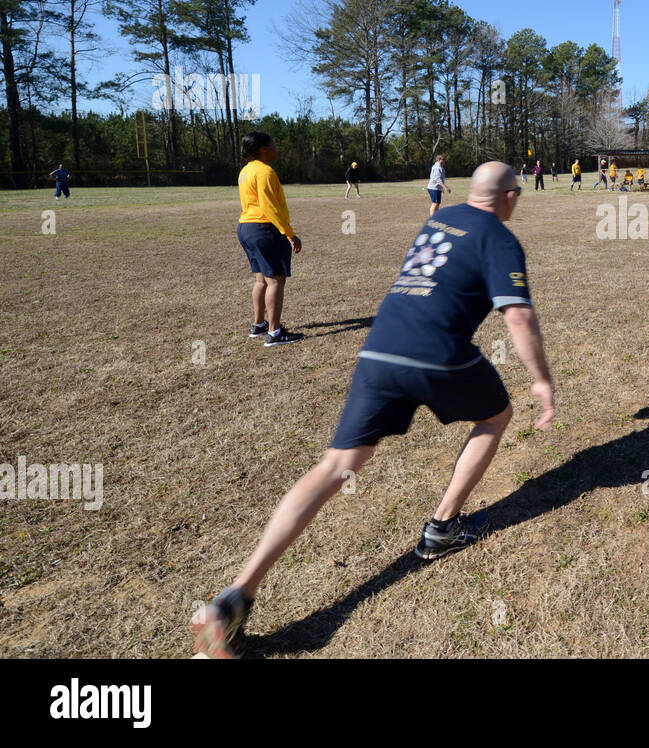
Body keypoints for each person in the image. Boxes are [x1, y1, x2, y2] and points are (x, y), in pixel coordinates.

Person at [190, 162, 555, 658]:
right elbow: (518, 314)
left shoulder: (440, 217)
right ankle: (441, 528)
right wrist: (541, 380)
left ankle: (237, 593)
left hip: (379, 347)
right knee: (495, 416)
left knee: (335, 466)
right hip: (435, 350)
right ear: (509, 196)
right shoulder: (501, 238)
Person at [237, 132, 304, 347]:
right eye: (273, 144)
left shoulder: (246, 171)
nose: (276, 147)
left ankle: (259, 325)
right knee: (276, 280)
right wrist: (289, 233)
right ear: (263, 149)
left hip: (246, 227)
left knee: (261, 280)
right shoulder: (265, 171)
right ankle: (274, 333)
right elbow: (269, 207)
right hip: (264, 228)